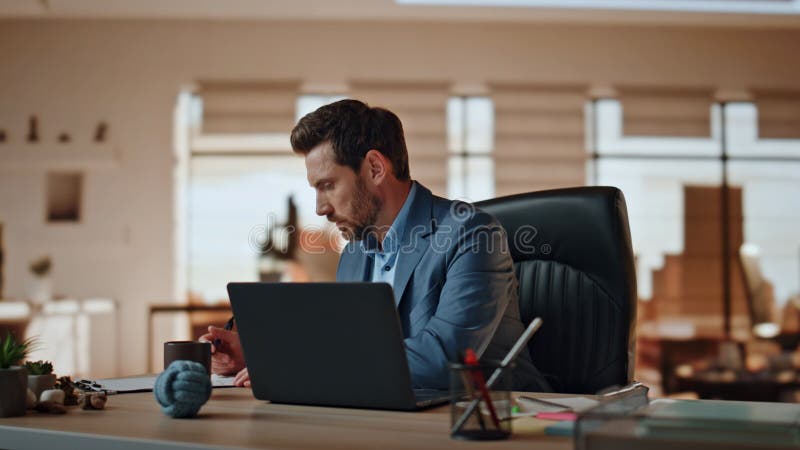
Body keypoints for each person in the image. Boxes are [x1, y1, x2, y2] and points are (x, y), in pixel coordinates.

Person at [201, 99, 551, 392]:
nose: (320, 208)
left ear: (374, 167)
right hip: (397, 417)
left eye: (328, 186)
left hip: (494, 423)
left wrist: (295, 366)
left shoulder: (472, 234)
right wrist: (259, 354)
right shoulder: (355, 250)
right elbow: (348, 346)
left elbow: (446, 358)